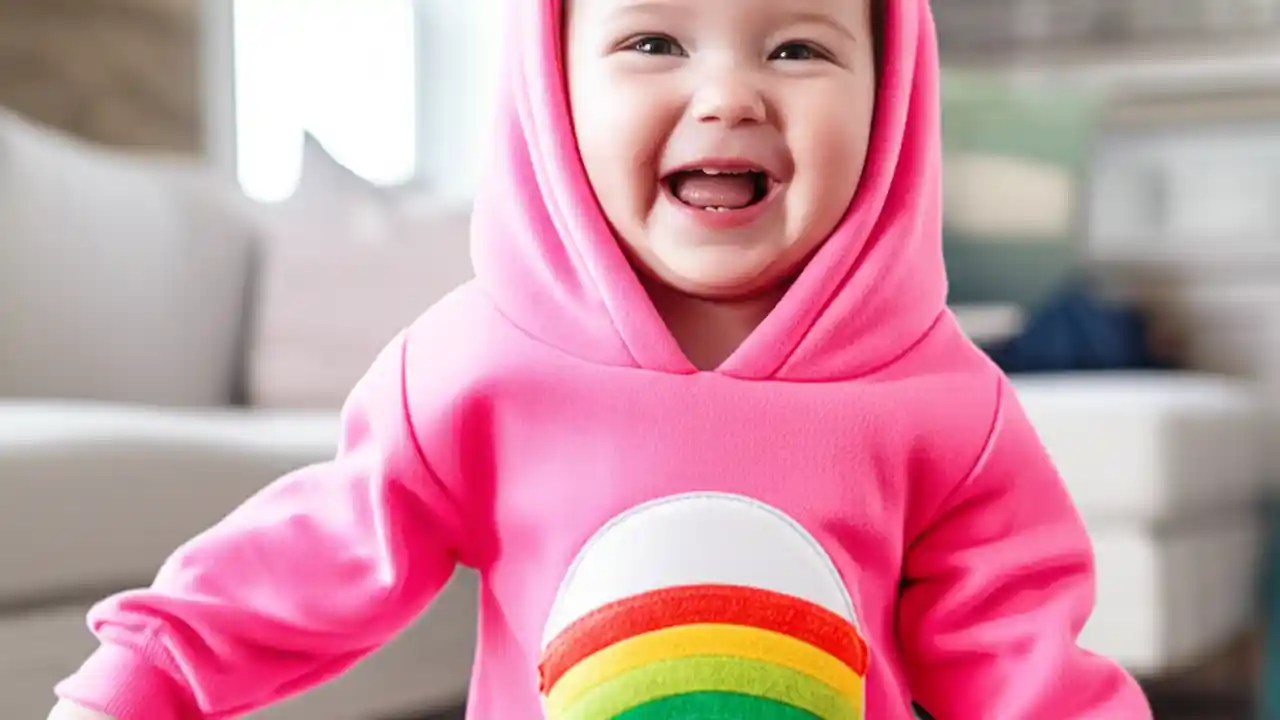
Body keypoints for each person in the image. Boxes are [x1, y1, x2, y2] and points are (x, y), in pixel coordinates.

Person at [50, 0, 1152, 717]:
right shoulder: (472, 367)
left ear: (891, 93)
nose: (726, 94)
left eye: (797, 47)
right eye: (653, 42)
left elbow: (1020, 661)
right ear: (553, 87)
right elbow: (305, 563)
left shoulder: (941, 402)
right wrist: (135, 680)